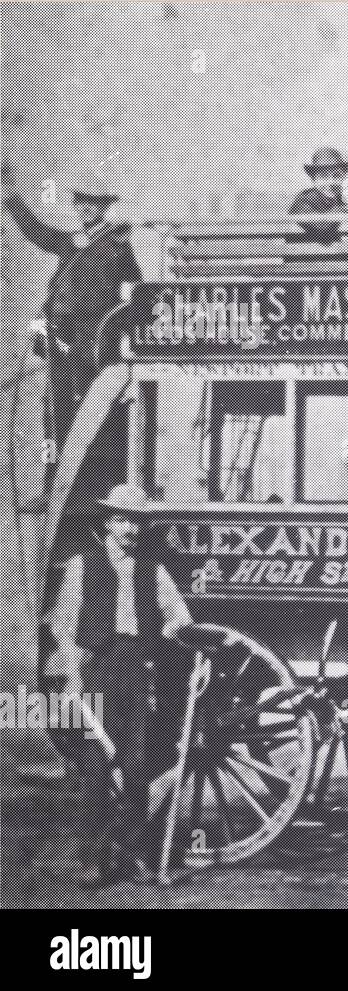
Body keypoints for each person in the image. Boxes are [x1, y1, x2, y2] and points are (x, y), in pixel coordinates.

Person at [44, 485, 195, 884]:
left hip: (137, 673)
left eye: (138, 522)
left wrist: (185, 632)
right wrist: (73, 679)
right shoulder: (81, 567)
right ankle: (95, 858)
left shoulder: (154, 571)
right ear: (109, 522)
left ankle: (132, 853)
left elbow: (177, 618)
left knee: (136, 767)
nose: (131, 528)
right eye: (124, 519)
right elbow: (62, 629)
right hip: (95, 671)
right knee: (96, 769)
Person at [2, 158, 142, 451]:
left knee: (96, 410)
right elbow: (37, 232)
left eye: (93, 202)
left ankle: (94, 484)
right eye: (80, 202)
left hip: (94, 340)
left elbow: (136, 294)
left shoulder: (117, 245)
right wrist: (12, 198)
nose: (85, 208)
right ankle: (53, 483)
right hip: (61, 336)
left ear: (105, 206)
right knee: (55, 409)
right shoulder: (70, 242)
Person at [289, 147, 348, 244]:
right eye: (323, 176)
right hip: (307, 257)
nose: (331, 182)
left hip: (334, 257)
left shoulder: (341, 199)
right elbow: (322, 226)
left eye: (336, 176)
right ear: (314, 179)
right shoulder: (303, 200)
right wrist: (344, 209)